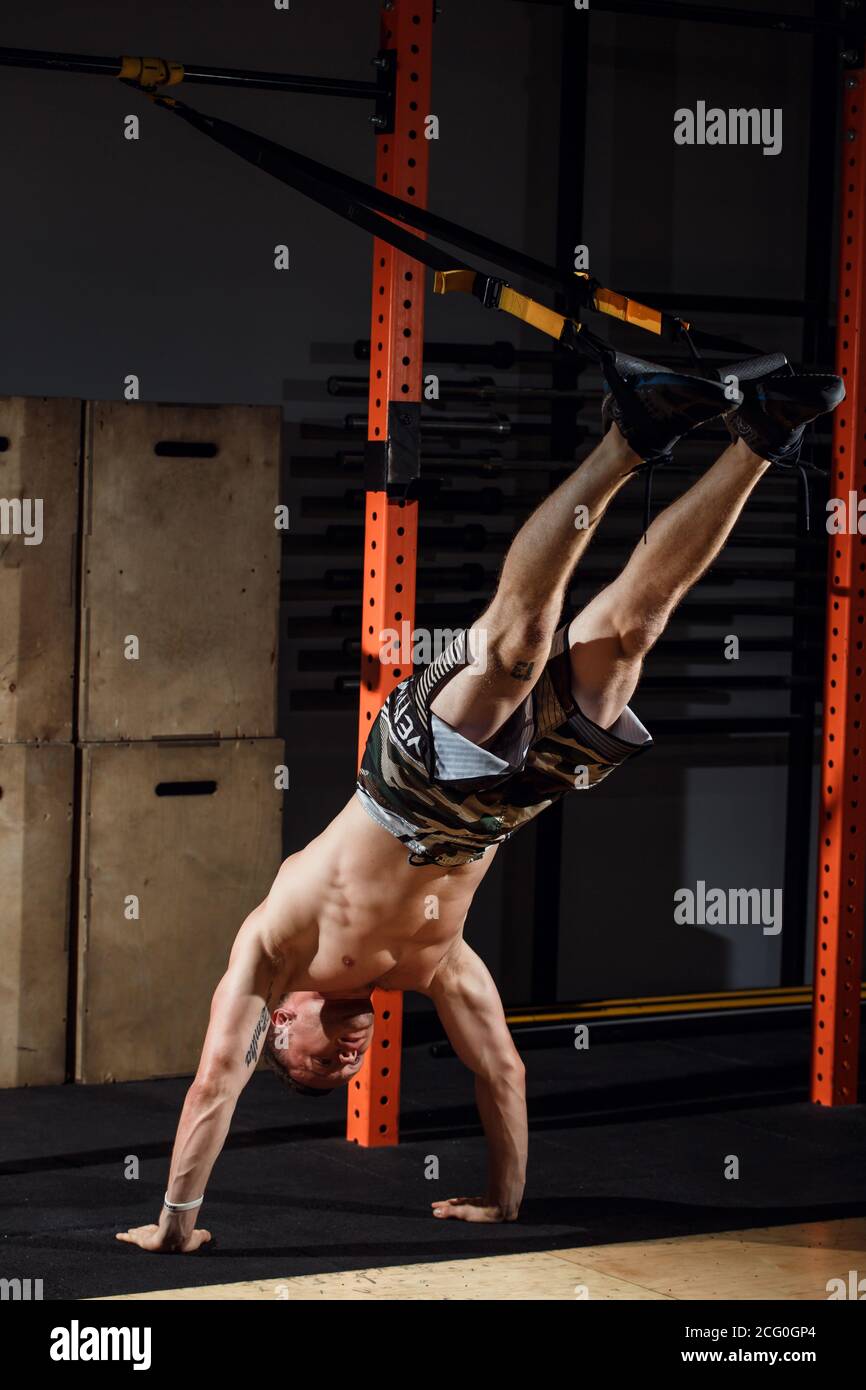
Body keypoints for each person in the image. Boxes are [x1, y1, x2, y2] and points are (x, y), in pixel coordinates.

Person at [116, 354, 843, 1252]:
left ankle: (631, 432)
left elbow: (212, 1084)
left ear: (284, 1022)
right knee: (633, 630)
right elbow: (501, 1072)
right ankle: (764, 439)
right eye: (340, 1082)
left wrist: (176, 1223)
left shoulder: (271, 950)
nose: (341, 1068)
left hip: (407, 784)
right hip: (508, 805)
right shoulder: (433, 965)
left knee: (515, 650)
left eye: (312, 1070)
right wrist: (506, 1200)